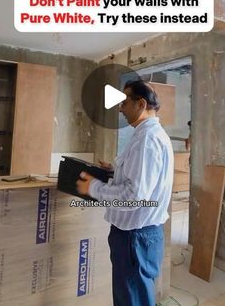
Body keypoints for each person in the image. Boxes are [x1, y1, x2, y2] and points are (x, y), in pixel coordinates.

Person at [77, 80, 174, 306]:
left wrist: (92, 187)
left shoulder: (147, 139)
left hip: (134, 238)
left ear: (141, 104)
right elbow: (145, 182)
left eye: (124, 102)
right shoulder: (150, 135)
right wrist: (114, 172)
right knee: (135, 297)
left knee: (131, 300)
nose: (120, 108)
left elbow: (134, 197)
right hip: (139, 237)